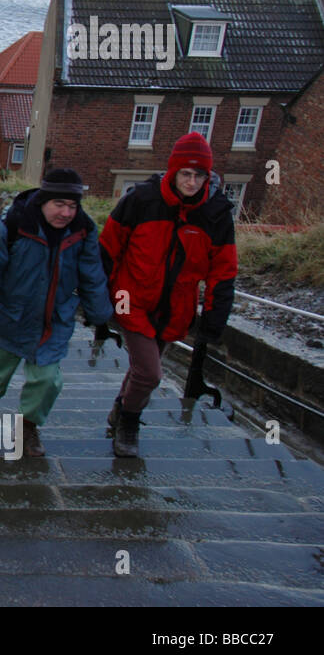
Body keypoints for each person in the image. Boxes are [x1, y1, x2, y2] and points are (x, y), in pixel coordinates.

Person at [98, 132, 238, 457]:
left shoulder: (216, 215)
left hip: (175, 309)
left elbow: (223, 271)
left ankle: (120, 408)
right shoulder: (141, 200)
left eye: (199, 175)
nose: (191, 182)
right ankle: (129, 423)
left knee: (141, 370)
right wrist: (98, 298)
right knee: (150, 372)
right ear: (173, 171)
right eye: (185, 174)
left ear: (208, 176)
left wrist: (214, 318)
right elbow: (108, 248)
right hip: (130, 299)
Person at [0, 168, 113, 457]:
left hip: (53, 320)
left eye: (72, 206)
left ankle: (27, 427)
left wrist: (100, 313)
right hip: (9, 316)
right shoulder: (12, 225)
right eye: (59, 204)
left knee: (48, 380)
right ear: (44, 201)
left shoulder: (84, 230)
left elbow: (92, 274)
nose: (66, 213)